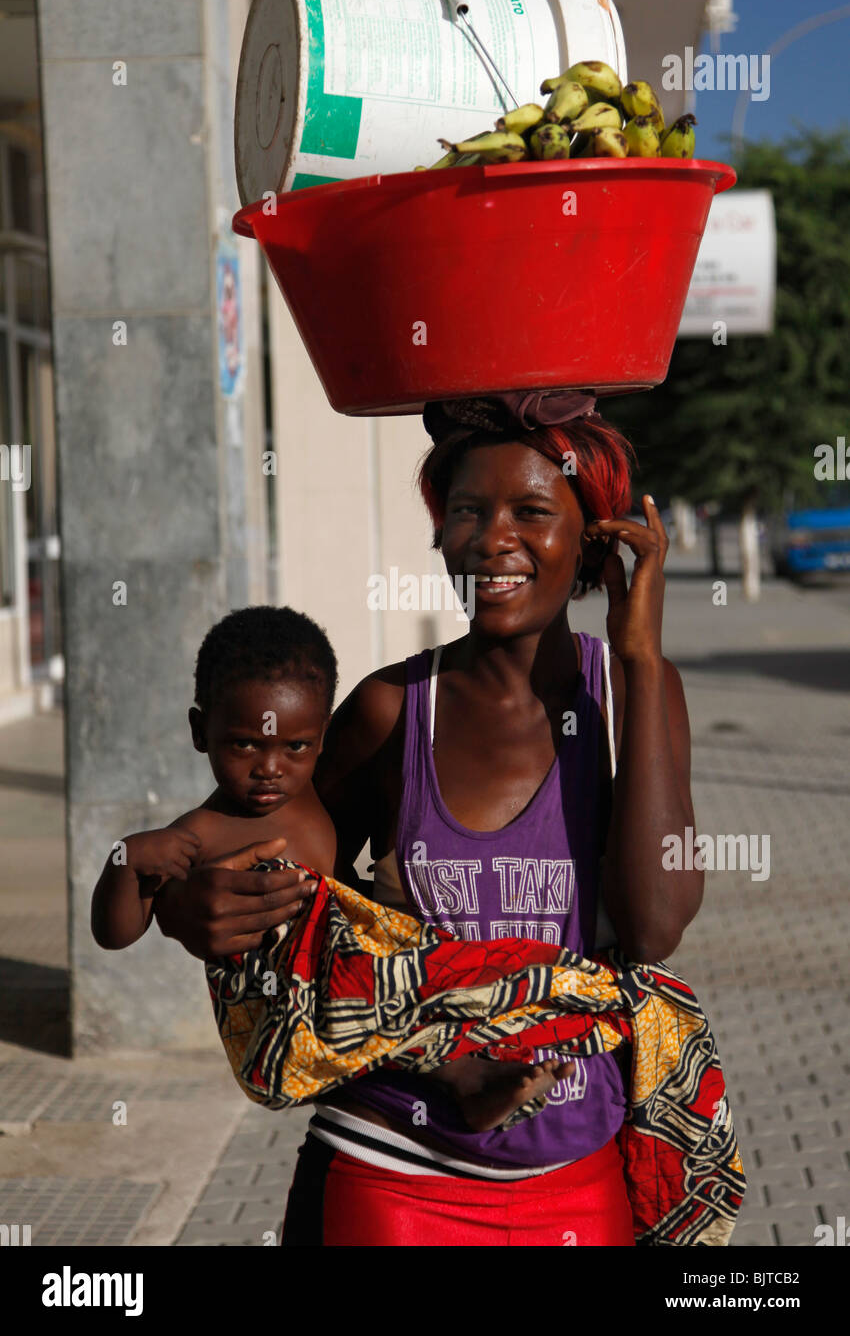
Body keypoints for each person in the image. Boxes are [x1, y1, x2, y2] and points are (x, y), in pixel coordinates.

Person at [152, 391, 704, 1247]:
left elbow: (655, 925)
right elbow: (285, 881)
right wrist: (190, 906)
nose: (492, 540)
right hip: (390, 1168)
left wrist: (638, 655)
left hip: (575, 1171)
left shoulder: (635, 691)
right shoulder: (391, 711)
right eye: (467, 513)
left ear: (593, 537)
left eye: (531, 511)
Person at [90, 606, 335, 950]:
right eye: (246, 744)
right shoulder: (200, 834)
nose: (270, 768)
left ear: (322, 737)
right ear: (200, 731)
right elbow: (116, 935)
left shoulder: (329, 790)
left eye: (295, 745)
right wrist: (124, 860)